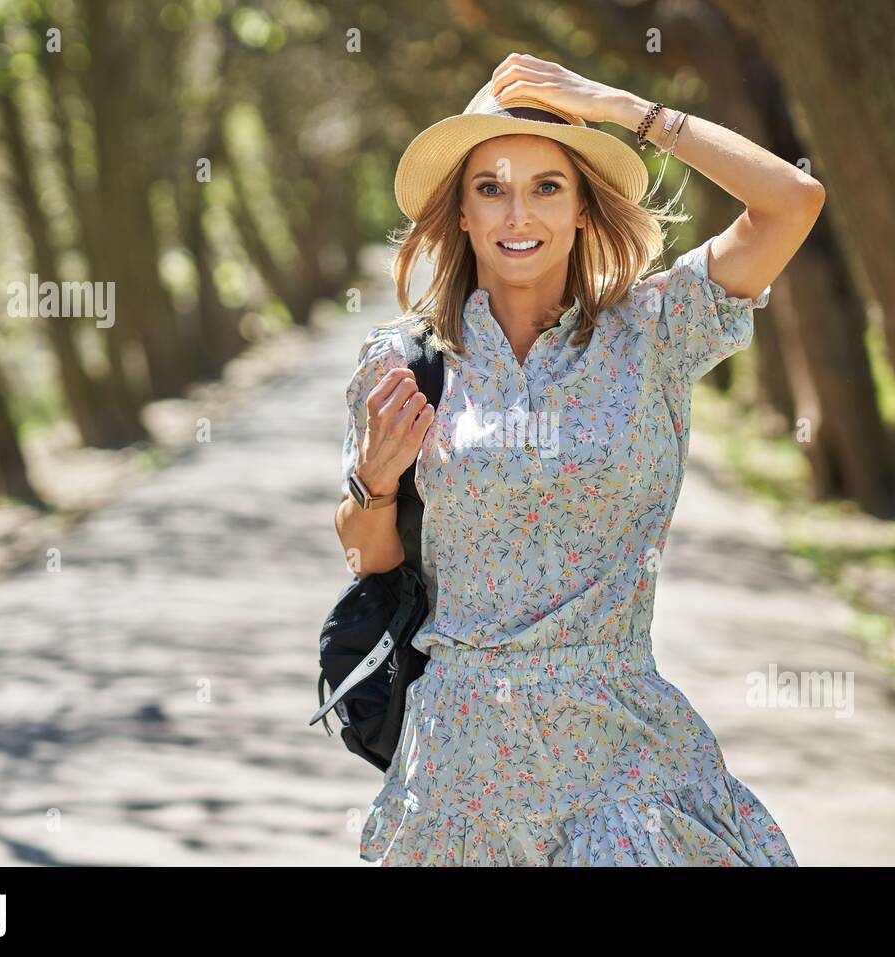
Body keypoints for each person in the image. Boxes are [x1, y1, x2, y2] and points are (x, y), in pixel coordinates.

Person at [335, 53, 823, 866]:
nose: (516, 212)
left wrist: (627, 110)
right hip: (462, 771)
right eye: (489, 187)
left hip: (624, 758)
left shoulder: (657, 331)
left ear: (586, 209)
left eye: (547, 186)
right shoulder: (403, 362)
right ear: (458, 211)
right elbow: (366, 559)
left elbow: (791, 203)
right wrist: (375, 484)